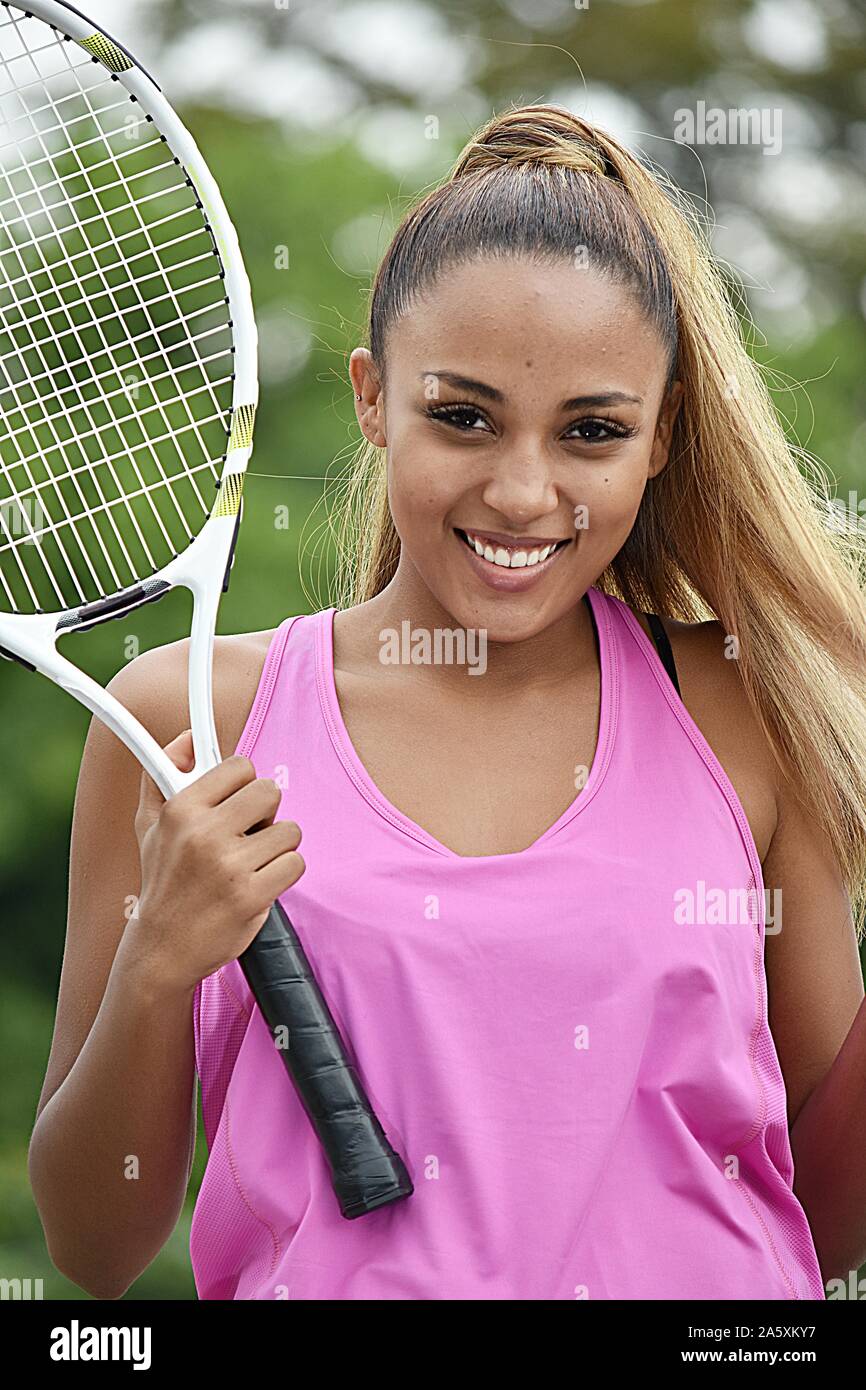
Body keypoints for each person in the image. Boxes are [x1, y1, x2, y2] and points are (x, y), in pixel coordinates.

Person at [28, 104, 866, 1301]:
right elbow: (93, 1248)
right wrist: (159, 957)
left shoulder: (741, 704)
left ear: (659, 437)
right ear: (373, 398)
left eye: (591, 432)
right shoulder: (185, 719)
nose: (523, 492)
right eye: (462, 416)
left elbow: (821, 1226)